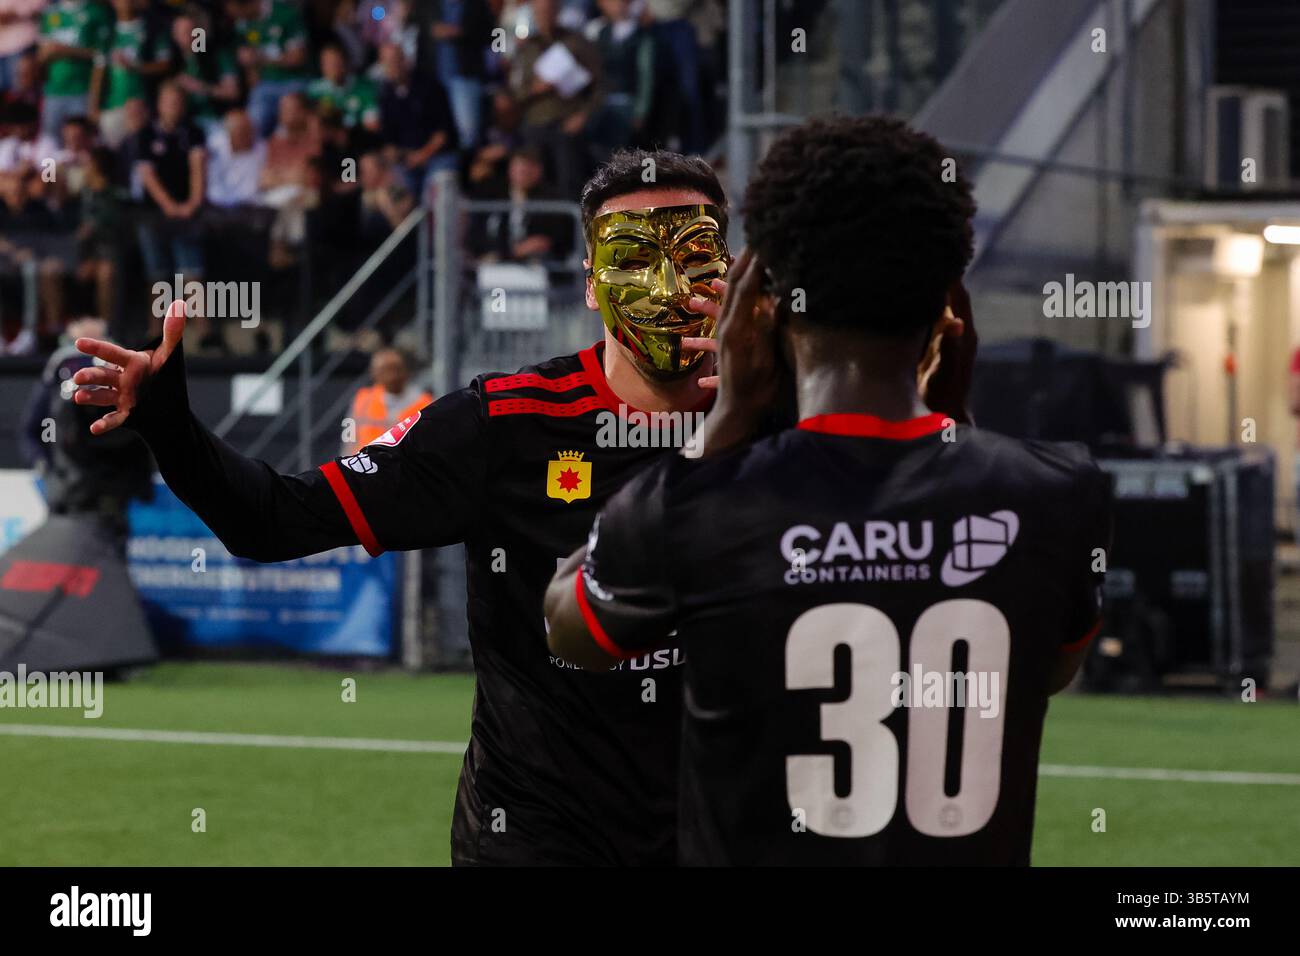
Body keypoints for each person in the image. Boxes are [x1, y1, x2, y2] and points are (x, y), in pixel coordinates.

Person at [72, 148, 731, 866]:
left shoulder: (787, 422)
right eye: (633, 257)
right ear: (591, 286)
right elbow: (272, 520)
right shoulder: (504, 421)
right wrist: (172, 427)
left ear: (731, 272)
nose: (668, 286)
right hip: (540, 838)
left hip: (718, 834)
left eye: (694, 254)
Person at [545, 116, 1113, 866]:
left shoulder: (693, 507)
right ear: (951, 303)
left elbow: (569, 628)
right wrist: (956, 418)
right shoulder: (1057, 494)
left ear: (763, 300)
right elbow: (1046, 669)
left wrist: (722, 426)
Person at [36, 0, 112, 139]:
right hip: (53, 91)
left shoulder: (96, 12)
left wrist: (67, 50)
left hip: (83, 90)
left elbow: (102, 54)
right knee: (50, 146)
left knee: (83, 142)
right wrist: (46, 54)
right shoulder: (51, 12)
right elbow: (41, 55)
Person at [343, 348, 433, 455]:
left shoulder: (425, 403)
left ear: (405, 371)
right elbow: (349, 437)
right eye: (383, 370)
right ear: (373, 373)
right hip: (364, 465)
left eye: (395, 369)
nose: (391, 376)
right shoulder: (363, 398)